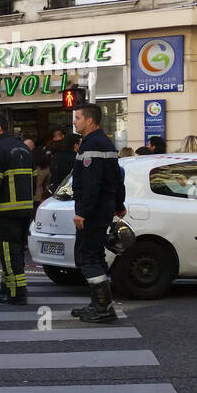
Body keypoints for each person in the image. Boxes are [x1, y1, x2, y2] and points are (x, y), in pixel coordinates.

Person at [70, 103, 127, 323]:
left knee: (88, 257)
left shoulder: (92, 145)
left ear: (89, 120)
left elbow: (91, 183)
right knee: (96, 255)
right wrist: (118, 203)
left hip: (93, 210)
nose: (74, 121)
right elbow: (116, 177)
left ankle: (103, 308)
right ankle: (100, 304)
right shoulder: (106, 143)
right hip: (103, 206)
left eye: (77, 118)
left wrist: (82, 212)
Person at [0, 113, 36, 305]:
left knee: (8, 252)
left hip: (5, 210)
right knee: (15, 251)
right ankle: (7, 286)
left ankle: (15, 293)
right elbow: (33, 178)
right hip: (25, 209)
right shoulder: (24, 149)